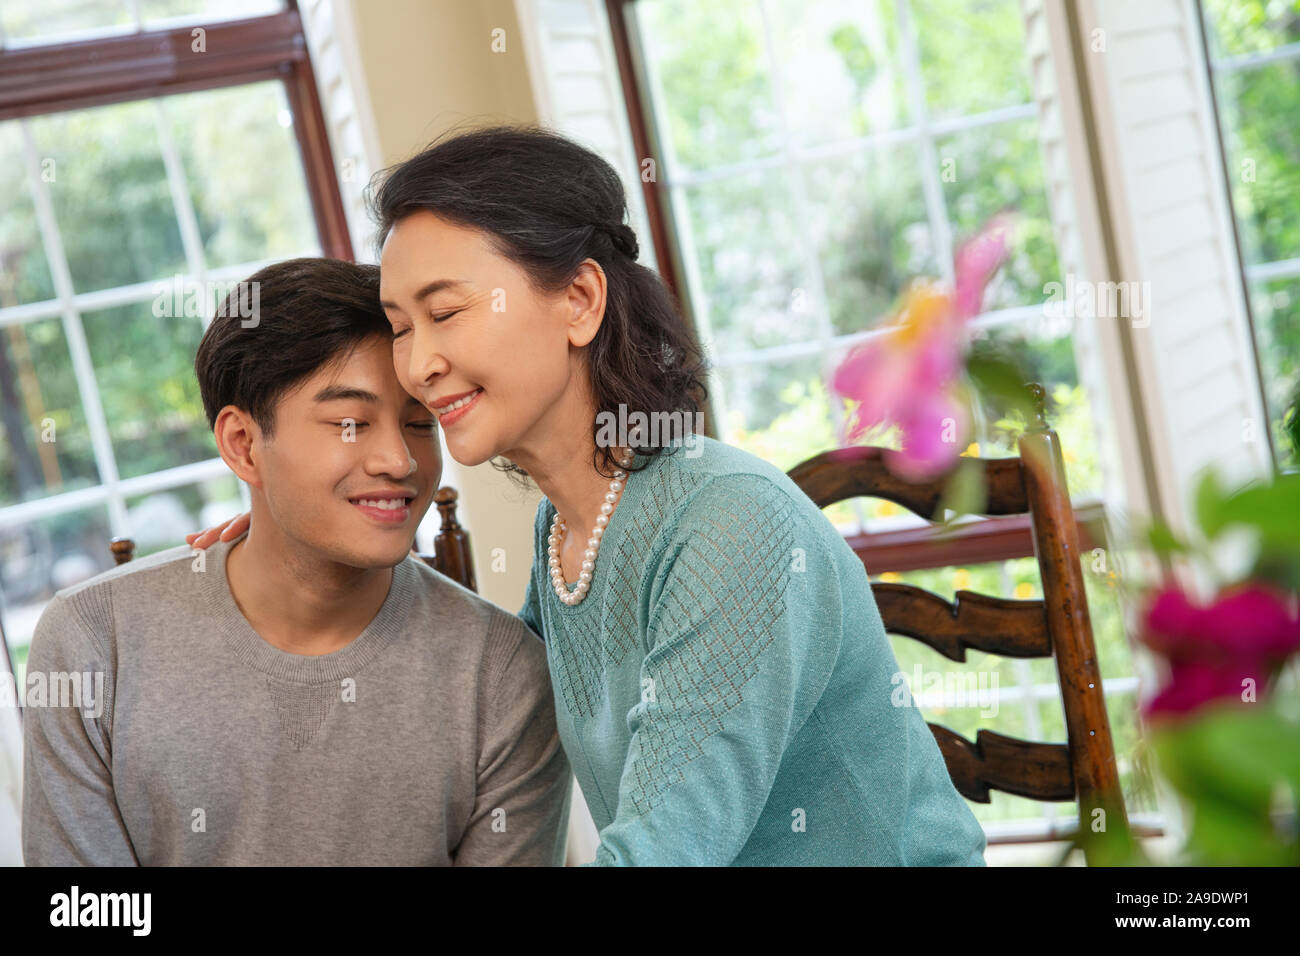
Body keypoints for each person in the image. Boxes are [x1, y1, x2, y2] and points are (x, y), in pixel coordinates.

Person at [191, 126, 987, 865]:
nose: (419, 364)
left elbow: (659, 854)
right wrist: (296, 551)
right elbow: (480, 692)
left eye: (445, 312)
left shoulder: (726, 522)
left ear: (578, 301)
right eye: (401, 326)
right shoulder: (566, 533)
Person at [22, 257, 571, 866]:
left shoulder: (505, 676)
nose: (399, 459)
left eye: (419, 423)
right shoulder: (93, 641)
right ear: (243, 444)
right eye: (349, 423)